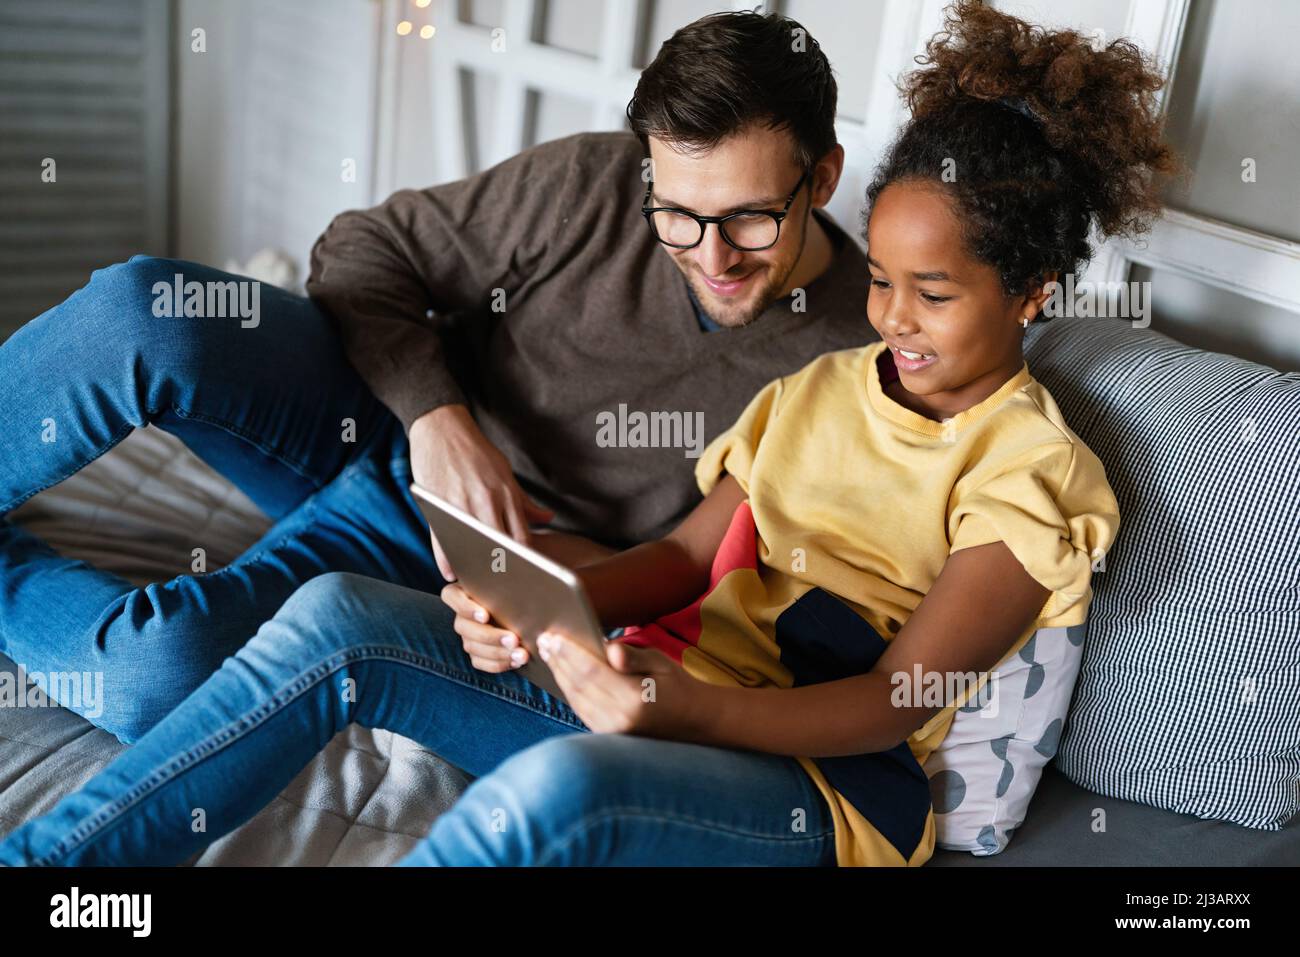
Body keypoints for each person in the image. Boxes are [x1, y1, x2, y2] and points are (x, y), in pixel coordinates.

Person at [0, 0, 1178, 867]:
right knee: (315, 593)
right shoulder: (820, 389)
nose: (894, 321)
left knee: (543, 787)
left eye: (933, 297)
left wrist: (670, 694)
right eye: (678, 215)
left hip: (814, 777)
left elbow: (896, 696)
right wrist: (535, 594)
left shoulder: (1021, 461)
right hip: (587, 621)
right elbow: (672, 563)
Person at [0, 10, 867, 744]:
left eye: (750, 219)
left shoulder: (859, 357)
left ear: (822, 178)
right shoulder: (595, 183)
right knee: (148, 311)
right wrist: (437, 418)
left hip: (477, 562)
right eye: (678, 215)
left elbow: (702, 571)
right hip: (377, 414)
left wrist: (544, 583)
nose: (709, 255)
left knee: (160, 674)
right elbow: (359, 249)